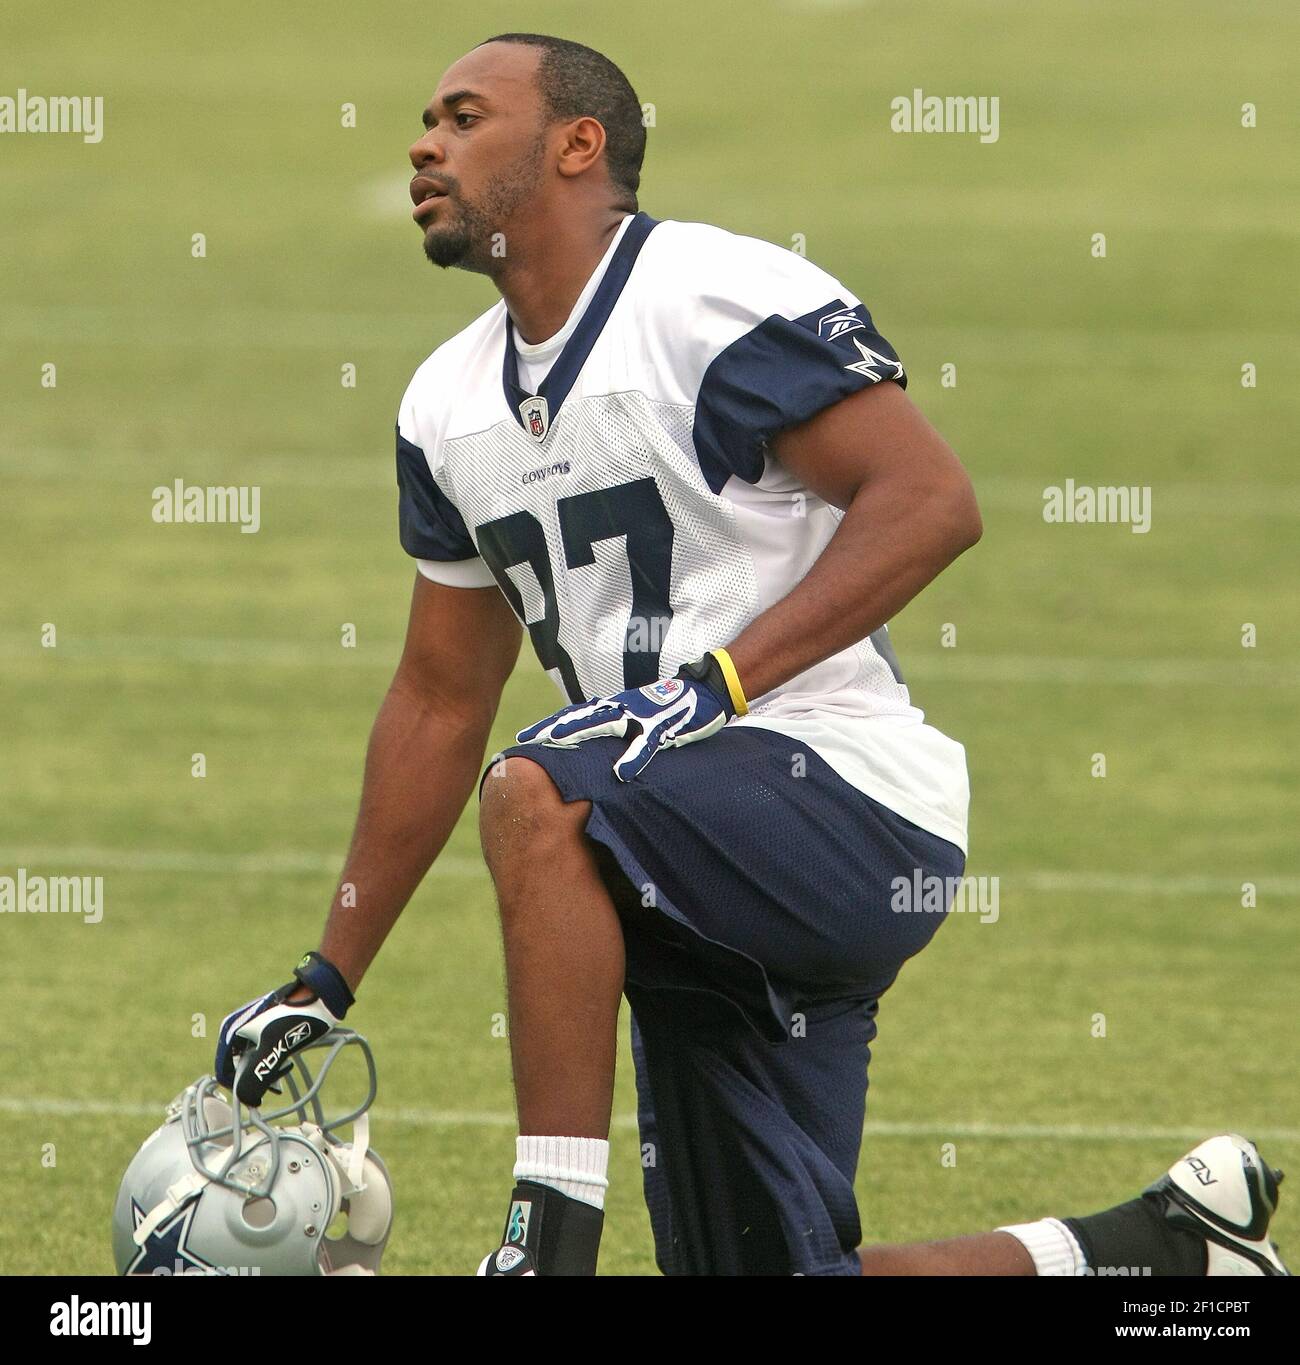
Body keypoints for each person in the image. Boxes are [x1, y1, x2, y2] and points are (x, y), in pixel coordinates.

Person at [214, 33, 1288, 1277]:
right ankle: (1158, 1251)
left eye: (462, 115)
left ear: (579, 146)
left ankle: (542, 1238)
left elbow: (929, 498)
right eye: (425, 119)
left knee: (538, 788)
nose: (423, 142)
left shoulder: (708, 297)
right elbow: (439, 697)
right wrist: (323, 977)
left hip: (842, 800)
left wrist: (709, 687)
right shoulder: (442, 405)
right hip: (668, 857)